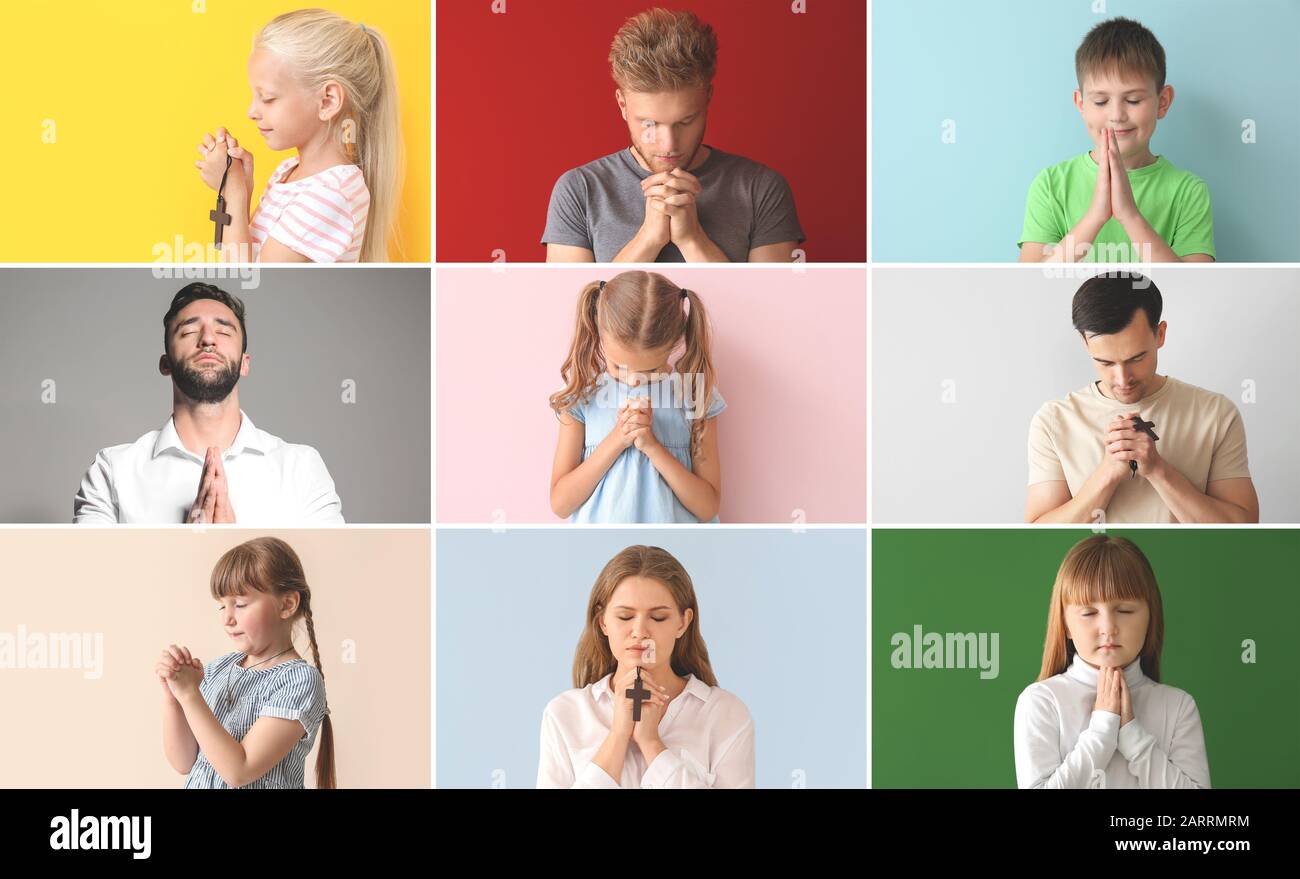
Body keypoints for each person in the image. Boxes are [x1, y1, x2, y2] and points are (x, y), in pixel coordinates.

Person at [542, 8, 804, 263]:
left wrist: (693, 239)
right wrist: (648, 239)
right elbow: (578, 306)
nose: (668, 145)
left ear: (707, 99)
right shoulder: (580, 190)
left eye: (686, 121)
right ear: (622, 105)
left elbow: (769, 305)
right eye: (649, 123)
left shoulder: (761, 188)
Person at [74, 283, 345, 524]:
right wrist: (191, 550)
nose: (207, 339)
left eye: (223, 332)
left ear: (244, 364)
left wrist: (233, 551)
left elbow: (329, 574)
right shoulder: (112, 471)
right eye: (189, 330)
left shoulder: (302, 468)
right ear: (166, 363)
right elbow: (92, 577)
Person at [1025, 273, 1257, 524]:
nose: (1123, 379)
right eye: (1105, 362)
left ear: (1160, 334)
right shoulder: (1053, 421)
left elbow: (1244, 528)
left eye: (1136, 358)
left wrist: (1157, 470)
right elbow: (1038, 534)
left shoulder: (1216, 414)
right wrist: (1107, 474)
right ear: (1084, 342)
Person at [537, 545, 755, 788]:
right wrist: (619, 735)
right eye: (625, 617)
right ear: (603, 622)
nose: (640, 632)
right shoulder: (565, 715)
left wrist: (652, 743)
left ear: (683, 623)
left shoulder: (725, 715)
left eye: (658, 617)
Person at [194, 9, 402, 262]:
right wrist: (241, 189)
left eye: (268, 98)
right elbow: (251, 260)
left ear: (327, 101)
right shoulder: (288, 172)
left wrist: (233, 192)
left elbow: (248, 283)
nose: (251, 112)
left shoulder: (330, 194)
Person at [1014, 534, 1210, 789]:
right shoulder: (1041, 701)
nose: (1108, 628)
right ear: (1065, 625)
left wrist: (1132, 734)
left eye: (1125, 610)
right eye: (1089, 613)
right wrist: (1103, 728)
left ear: (1151, 617)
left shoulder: (1178, 706)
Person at [1018, 18, 1214, 263]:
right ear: (1081, 104)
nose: (1117, 116)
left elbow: (1195, 289)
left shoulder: (1188, 191)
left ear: (1162, 102)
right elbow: (1030, 285)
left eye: (1133, 100)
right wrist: (1095, 217)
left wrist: (1129, 216)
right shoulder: (1050, 186)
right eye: (1101, 102)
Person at [157, 536, 335, 789]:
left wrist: (190, 696)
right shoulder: (219, 668)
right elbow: (184, 761)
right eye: (222, 607)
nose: (227, 618)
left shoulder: (298, 681)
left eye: (240, 604)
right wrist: (173, 698)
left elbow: (239, 770)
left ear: (287, 604)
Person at [549, 271, 724, 523]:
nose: (633, 381)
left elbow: (708, 507)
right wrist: (618, 439)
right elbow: (561, 504)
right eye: (619, 367)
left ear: (675, 343)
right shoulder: (581, 395)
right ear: (599, 332)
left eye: (650, 370)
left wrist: (652, 447)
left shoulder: (695, 394)